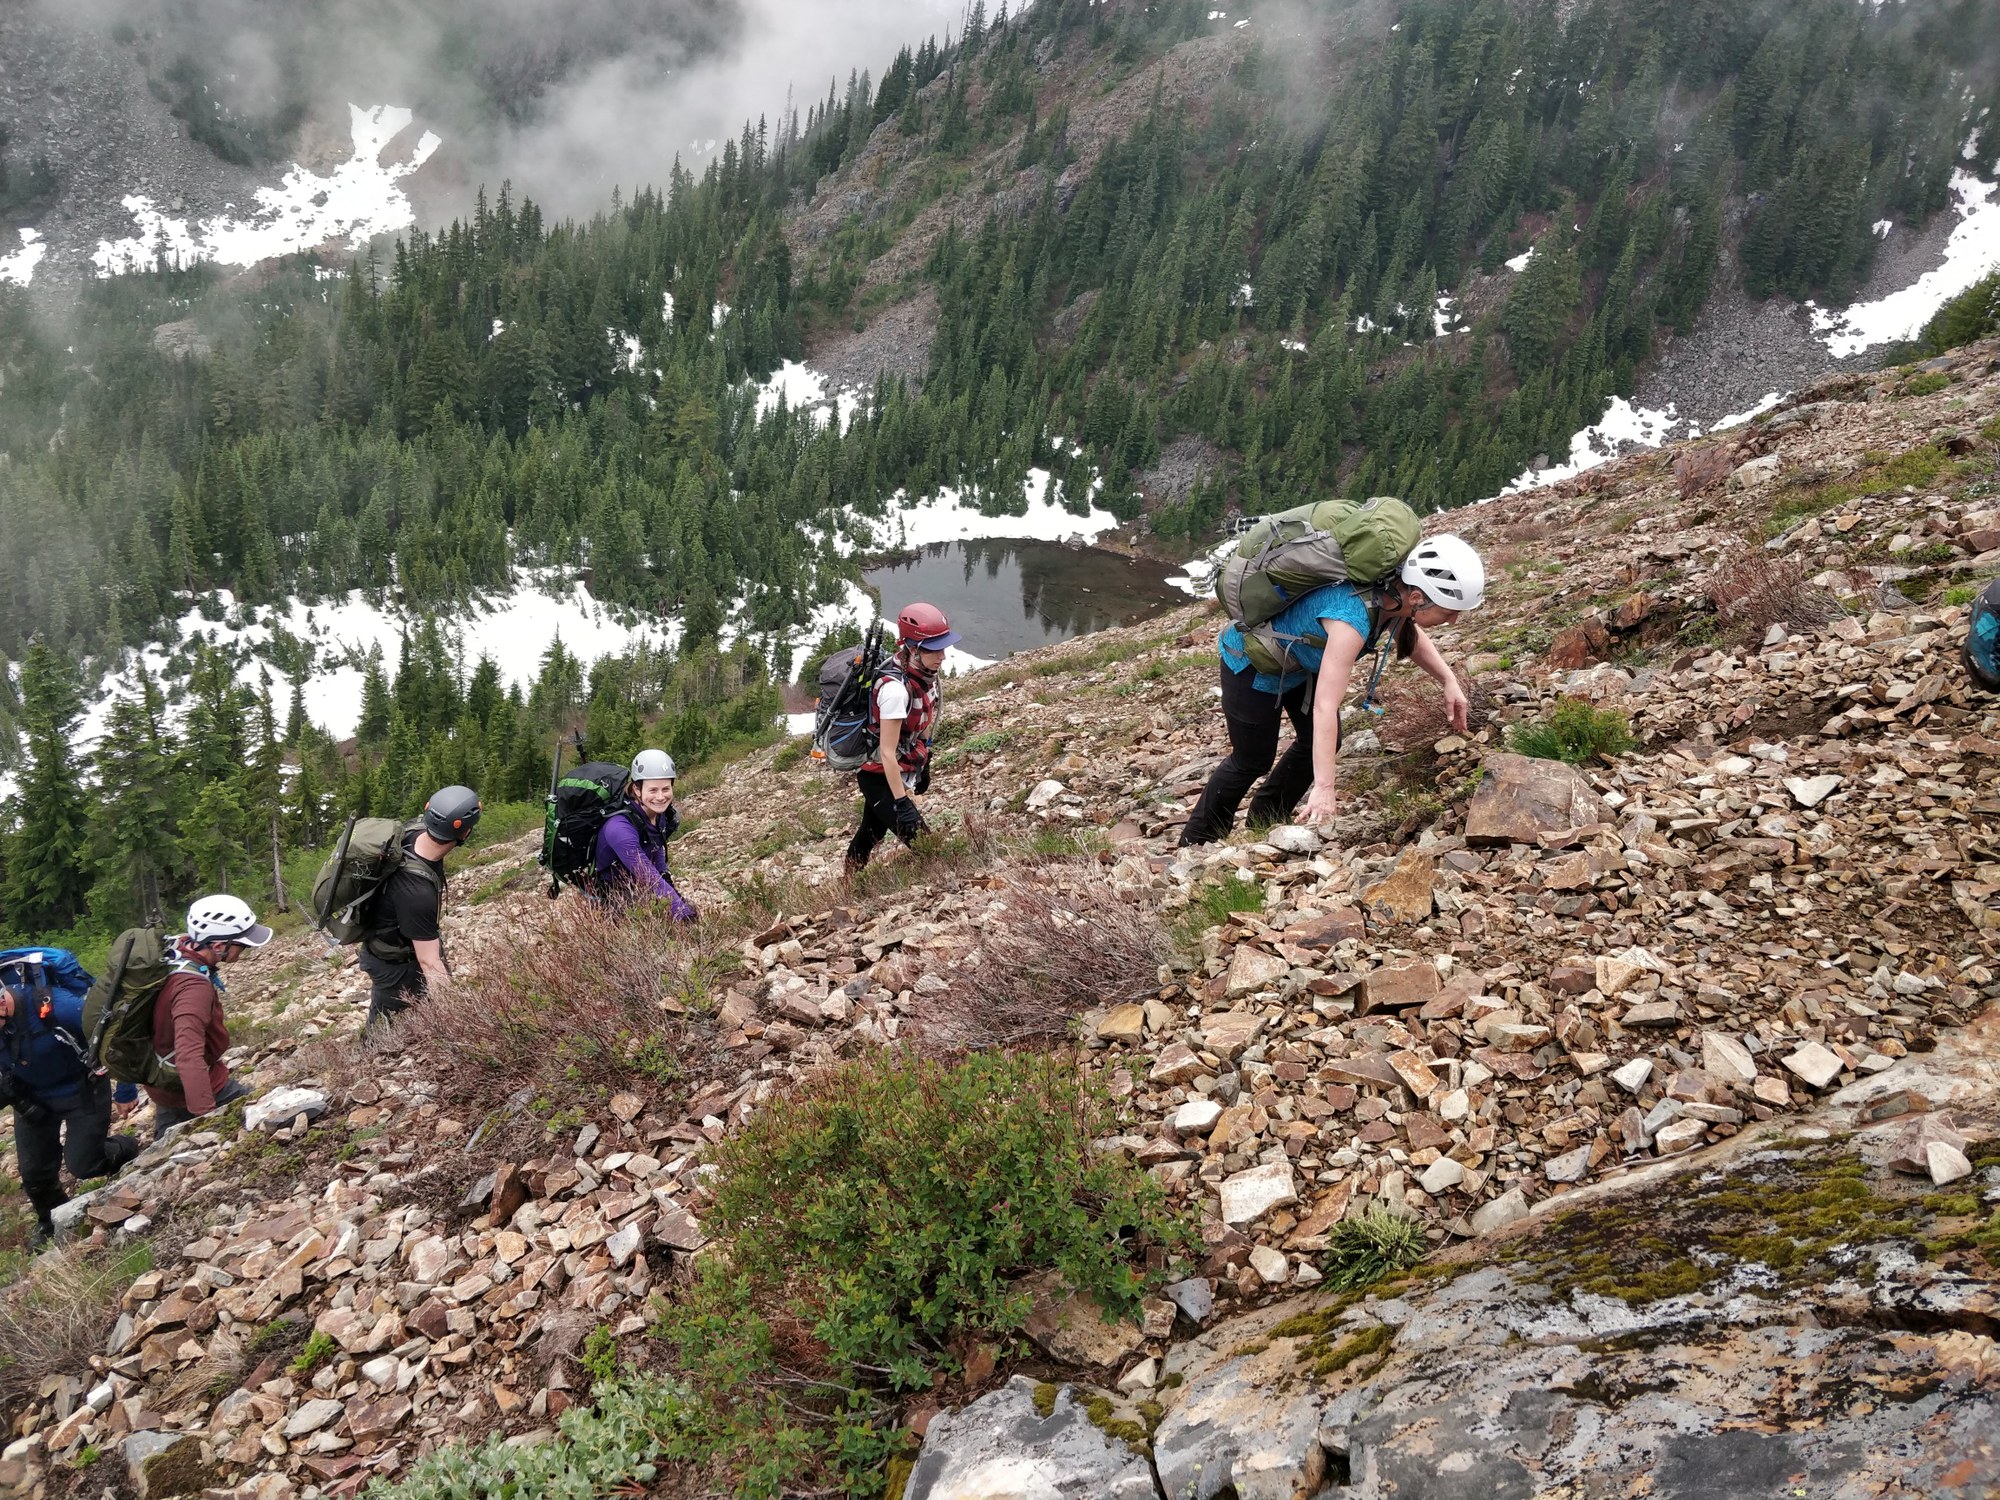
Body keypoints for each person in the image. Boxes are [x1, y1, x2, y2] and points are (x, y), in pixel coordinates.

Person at [1181, 534, 1487, 846]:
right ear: (1419, 598)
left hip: (1298, 666)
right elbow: (1325, 707)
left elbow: (1410, 633)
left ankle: (1267, 815)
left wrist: (1448, 680)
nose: (1453, 620)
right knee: (1252, 759)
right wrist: (1325, 787)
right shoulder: (1351, 618)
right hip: (1250, 664)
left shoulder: (1392, 599)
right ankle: (1197, 840)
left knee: (1322, 740)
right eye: (1450, 611)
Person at [1, 953, 143, 1244]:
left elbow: (116, 1038)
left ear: (2, 1002)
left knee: (84, 1165)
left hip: (82, 1089)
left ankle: (128, 1148)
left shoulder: (58, 1006)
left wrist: (126, 1089)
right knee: (35, 1175)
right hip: (31, 1098)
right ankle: (51, 1221)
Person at [844, 602, 961, 875]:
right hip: (877, 777)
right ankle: (943, 880)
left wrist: (925, 761)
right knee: (923, 843)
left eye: (943, 647)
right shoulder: (895, 691)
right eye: (934, 648)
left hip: (898, 770)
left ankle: (850, 880)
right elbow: (886, 752)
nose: (942, 655)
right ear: (912, 648)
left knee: (870, 832)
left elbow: (924, 723)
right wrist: (902, 803)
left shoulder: (926, 677)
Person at [145, 895, 270, 1140]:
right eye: (241, 945)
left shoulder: (177, 950)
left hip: (162, 1080)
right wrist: (205, 1119)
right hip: (196, 1086)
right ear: (218, 946)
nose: (243, 952)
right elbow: (188, 1055)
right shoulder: (193, 988)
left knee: (166, 1139)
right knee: (264, 1107)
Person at [357, 784, 480, 1030]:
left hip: (390, 941)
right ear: (464, 834)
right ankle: (368, 1057)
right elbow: (430, 963)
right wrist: (460, 1019)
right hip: (394, 964)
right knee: (383, 1025)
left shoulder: (413, 831)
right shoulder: (417, 893)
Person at [593, 749, 698, 919]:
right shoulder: (620, 828)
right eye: (653, 790)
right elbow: (648, 877)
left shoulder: (659, 815)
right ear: (637, 789)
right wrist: (682, 914)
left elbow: (656, 849)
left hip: (635, 882)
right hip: (610, 893)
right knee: (660, 921)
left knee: (686, 908)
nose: (660, 797)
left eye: (666, 789)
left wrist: (672, 888)